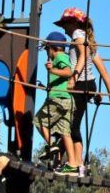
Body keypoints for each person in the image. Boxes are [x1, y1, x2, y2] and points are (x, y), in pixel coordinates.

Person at [55, 8, 110, 169]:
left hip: (81, 84)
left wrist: (73, 77)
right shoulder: (89, 40)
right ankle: (62, 160)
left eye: (65, 24)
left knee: (71, 125)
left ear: (73, 23)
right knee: (69, 123)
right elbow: (103, 70)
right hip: (89, 84)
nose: (63, 28)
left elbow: (83, 56)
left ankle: (76, 163)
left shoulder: (78, 35)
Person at [34, 31, 79, 173]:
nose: (47, 52)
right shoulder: (62, 57)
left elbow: (68, 72)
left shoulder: (60, 57)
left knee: (38, 120)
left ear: (52, 48)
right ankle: (72, 164)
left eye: (47, 49)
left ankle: (52, 144)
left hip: (58, 99)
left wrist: (52, 69)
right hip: (67, 101)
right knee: (65, 132)